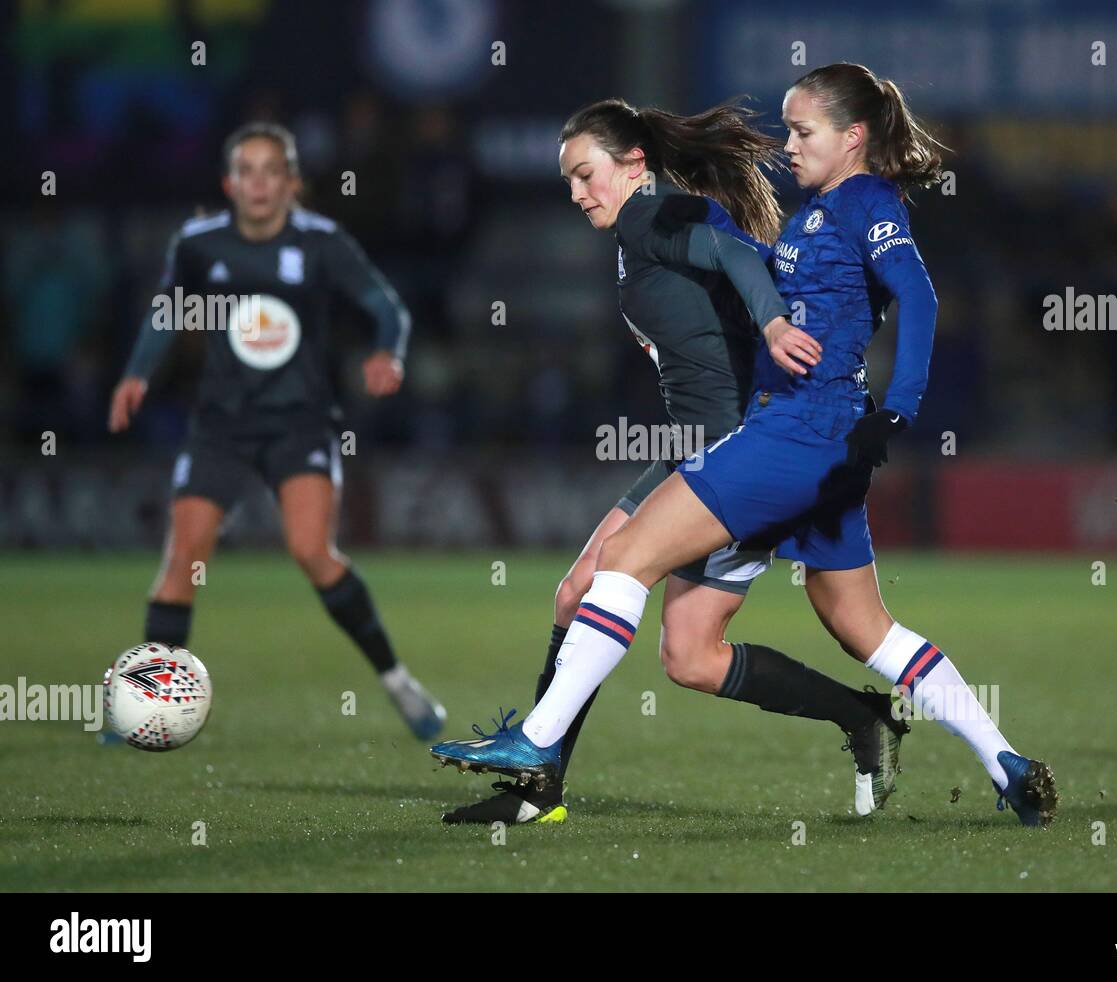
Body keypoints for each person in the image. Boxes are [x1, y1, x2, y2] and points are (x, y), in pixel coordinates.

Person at [434, 66, 1058, 828]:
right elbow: (769, 274)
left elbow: (918, 293)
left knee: (620, 567)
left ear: (852, 137)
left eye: (802, 132)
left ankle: (533, 753)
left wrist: (895, 411)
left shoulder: (862, 201)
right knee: (856, 630)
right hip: (813, 439)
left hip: (789, 433)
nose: (787, 146)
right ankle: (1005, 762)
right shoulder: (816, 214)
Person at [106, 122, 444, 742]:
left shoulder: (322, 244)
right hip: (222, 425)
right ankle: (145, 706)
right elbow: (166, 312)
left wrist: (387, 354)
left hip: (300, 422)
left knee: (312, 551)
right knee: (183, 558)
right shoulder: (200, 245)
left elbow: (386, 306)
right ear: (229, 183)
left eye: (272, 172)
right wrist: (136, 375)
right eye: (247, 172)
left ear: (292, 183)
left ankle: (398, 681)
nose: (259, 185)